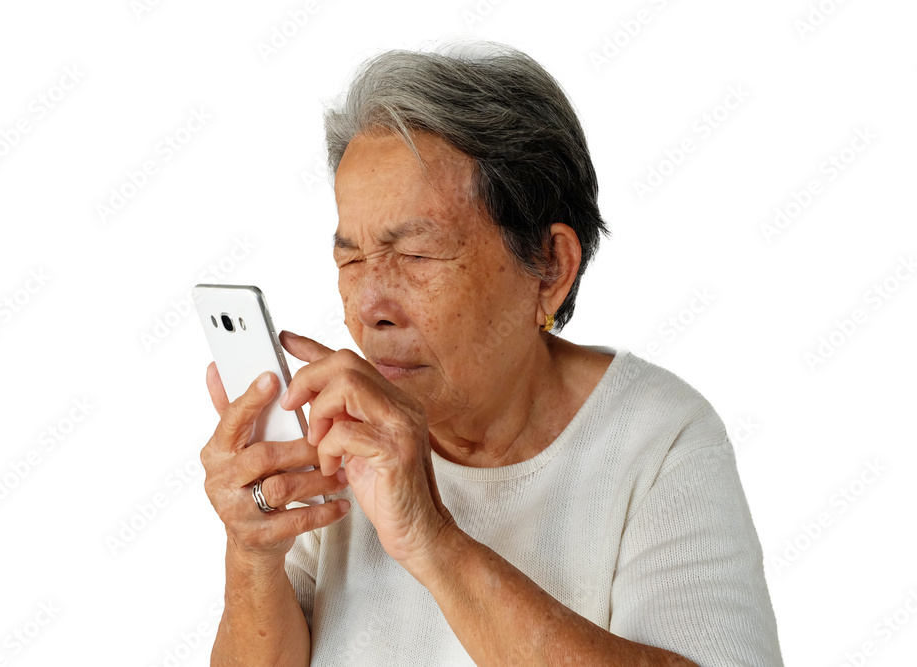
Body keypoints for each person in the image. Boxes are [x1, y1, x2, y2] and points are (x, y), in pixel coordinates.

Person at [199, 40, 784, 666]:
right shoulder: (338, 434)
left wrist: (430, 537)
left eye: (417, 255)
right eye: (351, 257)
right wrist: (253, 551)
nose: (369, 305)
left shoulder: (658, 439)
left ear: (550, 269)